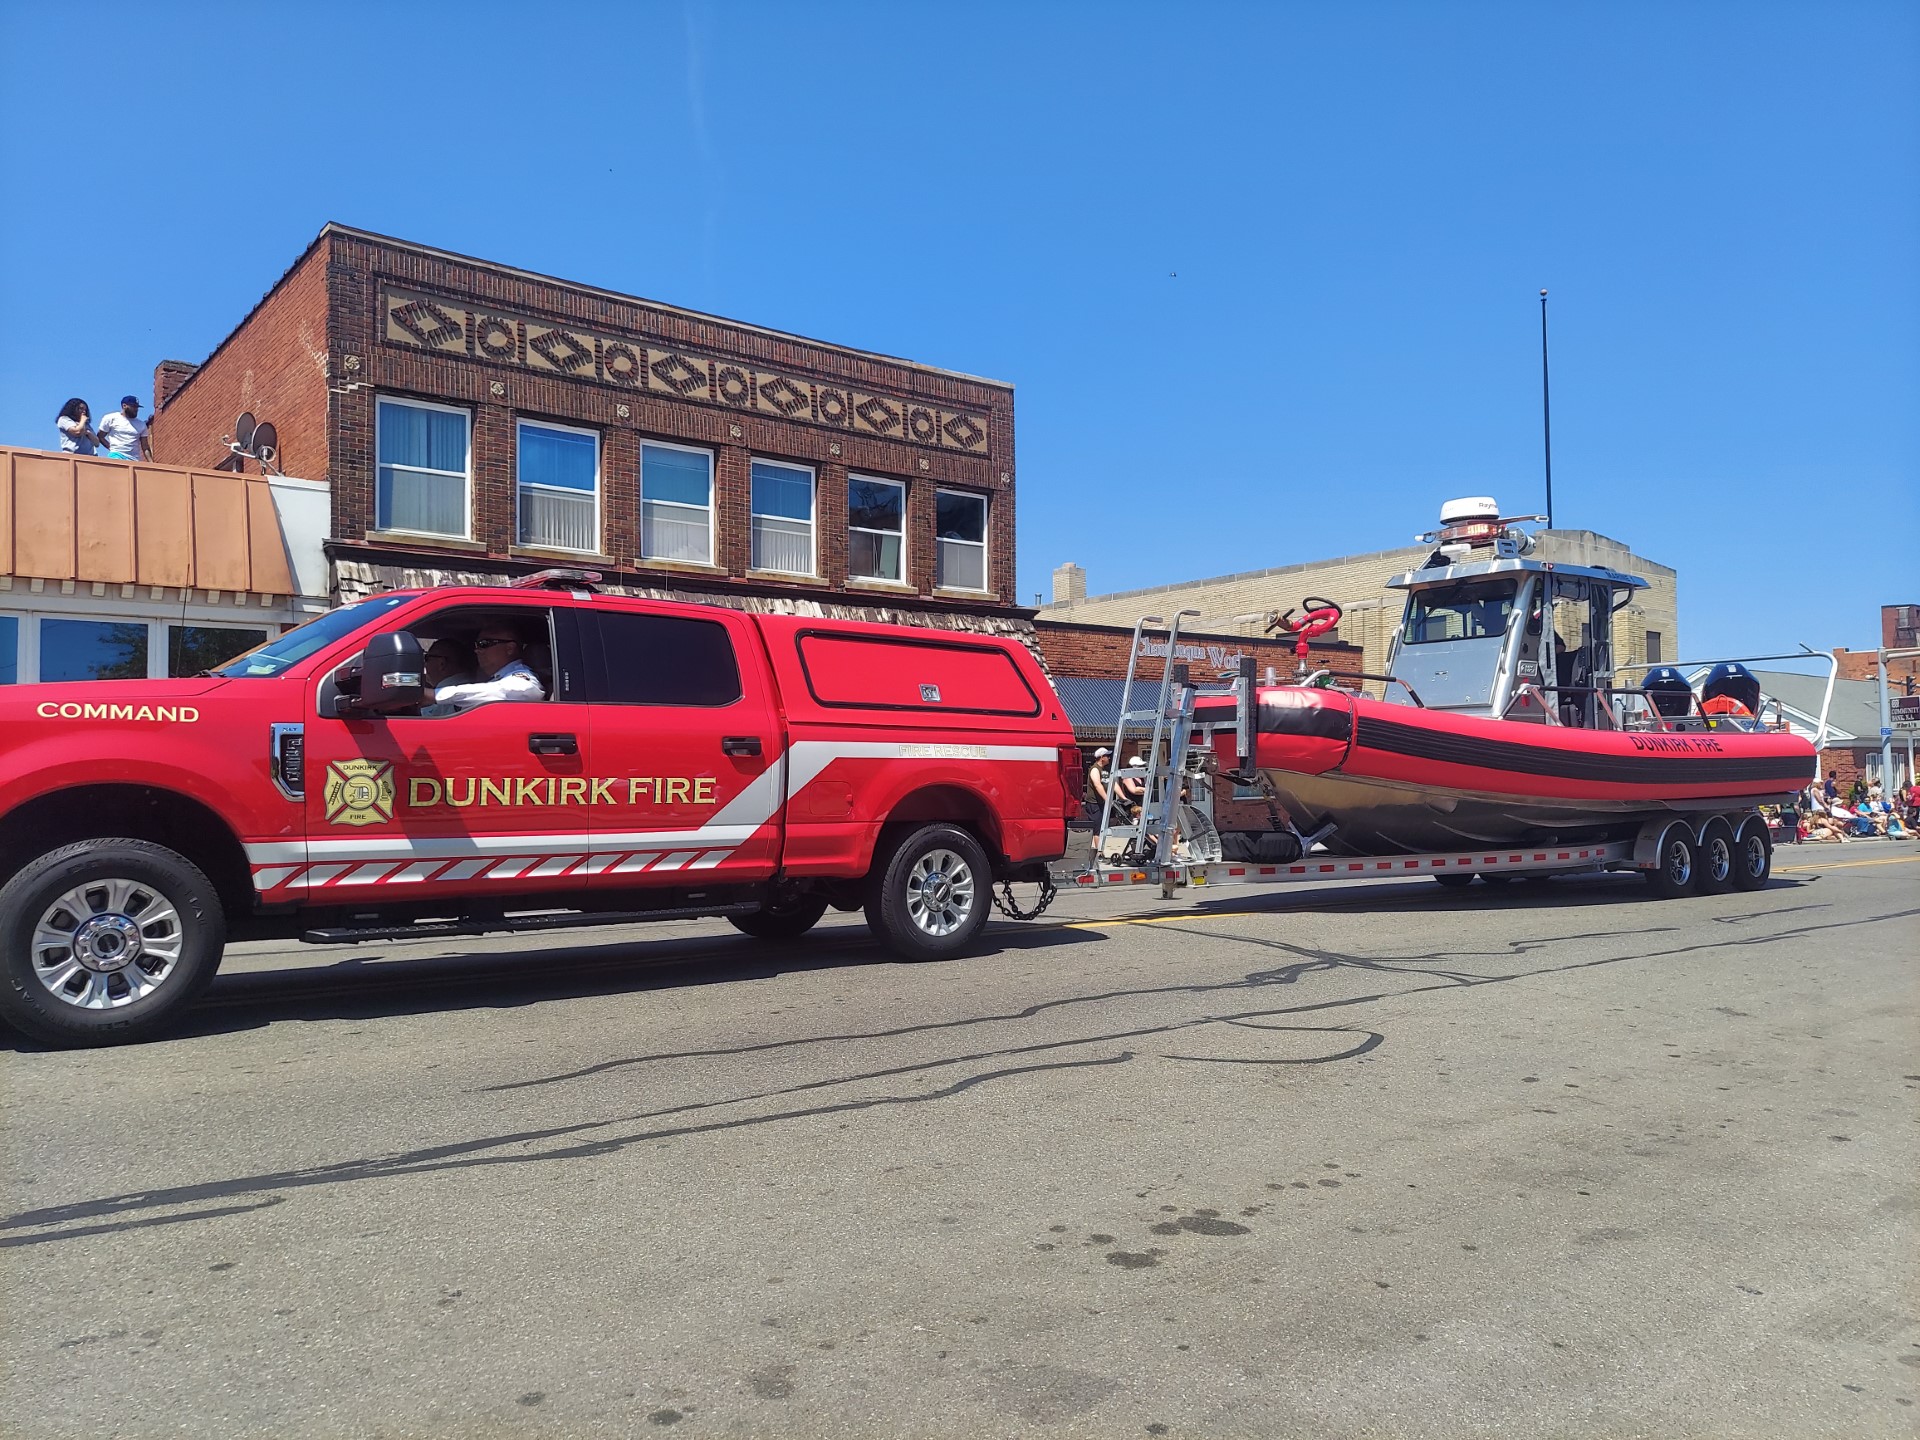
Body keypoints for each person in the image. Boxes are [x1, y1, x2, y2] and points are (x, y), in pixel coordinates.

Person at [428, 623, 544, 711]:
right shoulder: (496, 680)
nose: (477, 650)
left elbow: (510, 691)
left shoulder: (523, 679)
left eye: (484, 644)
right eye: (476, 645)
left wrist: (436, 695)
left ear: (510, 648)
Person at [95, 396, 151, 461]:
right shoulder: (110, 418)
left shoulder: (141, 424)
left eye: (137, 407)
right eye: (133, 406)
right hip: (116, 456)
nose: (136, 409)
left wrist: (152, 463)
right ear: (124, 406)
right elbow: (100, 436)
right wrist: (111, 448)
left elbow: (145, 446)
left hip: (134, 459)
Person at [1084, 747, 1113, 815]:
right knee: (1098, 825)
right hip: (1094, 804)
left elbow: (1114, 784)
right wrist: (1108, 800)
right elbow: (1097, 785)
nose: (1109, 758)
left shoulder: (1105, 770)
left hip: (1102, 803)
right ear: (1102, 757)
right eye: (1107, 756)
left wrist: (1123, 798)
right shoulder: (1095, 769)